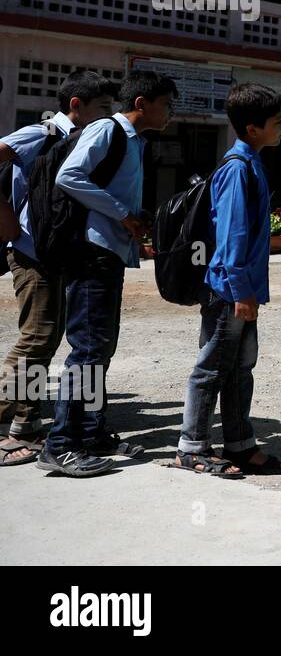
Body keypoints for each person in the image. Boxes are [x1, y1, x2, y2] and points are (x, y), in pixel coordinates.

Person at [38, 70, 177, 477]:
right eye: (166, 104)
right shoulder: (106, 129)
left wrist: (133, 224)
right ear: (141, 104)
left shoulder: (134, 142)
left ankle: (93, 431)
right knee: (86, 350)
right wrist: (122, 214)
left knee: (100, 348)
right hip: (90, 253)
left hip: (109, 253)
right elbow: (69, 176)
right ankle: (61, 444)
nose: (170, 112)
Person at [0, 71, 118, 466]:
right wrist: (7, 221)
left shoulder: (84, 140)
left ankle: (25, 426)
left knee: (48, 341)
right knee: (37, 338)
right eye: (102, 108)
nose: (108, 115)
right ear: (76, 106)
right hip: (31, 253)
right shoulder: (44, 133)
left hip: (58, 254)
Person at [173, 83, 281, 478]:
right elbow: (233, 236)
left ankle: (238, 444)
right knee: (212, 367)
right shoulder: (238, 169)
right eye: (276, 122)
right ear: (252, 129)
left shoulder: (250, 162)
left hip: (242, 290)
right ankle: (192, 447)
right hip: (228, 290)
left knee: (239, 368)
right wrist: (241, 292)